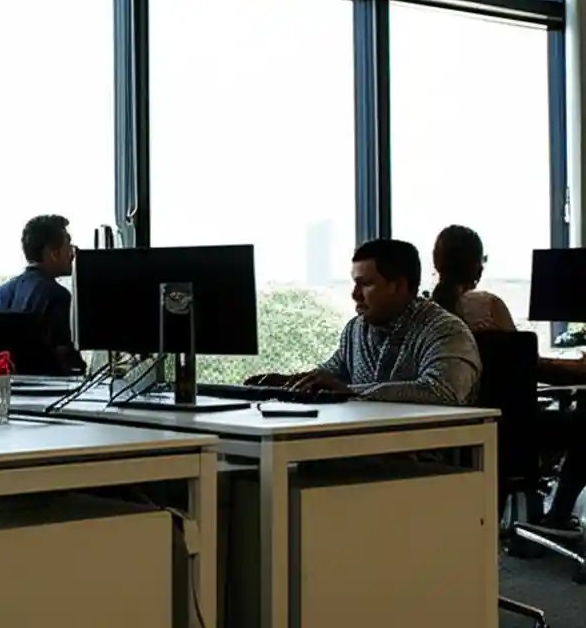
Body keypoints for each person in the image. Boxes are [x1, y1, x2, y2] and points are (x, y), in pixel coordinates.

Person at [429, 224, 585, 538]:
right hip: (513, 433)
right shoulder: (486, 304)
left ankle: (553, 517)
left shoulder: (426, 313)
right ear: (478, 265)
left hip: (454, 434)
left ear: (436, 262)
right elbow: (525, 368)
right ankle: (557, 515)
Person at [248, 238, 481, 405]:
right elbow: (331, 375)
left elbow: (444, 391)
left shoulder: (446, 331)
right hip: (366, 447)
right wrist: (287, 383)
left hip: (426, 458)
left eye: (365, 284)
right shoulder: (356, 329)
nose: (355, 294)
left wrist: (350, 392)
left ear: (399, 286)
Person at [0, 214, 83, 373]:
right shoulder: (58, 296)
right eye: (69, 247)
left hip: (7, 388)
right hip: (50, 392)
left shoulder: (0, 293)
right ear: (54, 254)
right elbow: (65, 359)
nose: (72, 255)